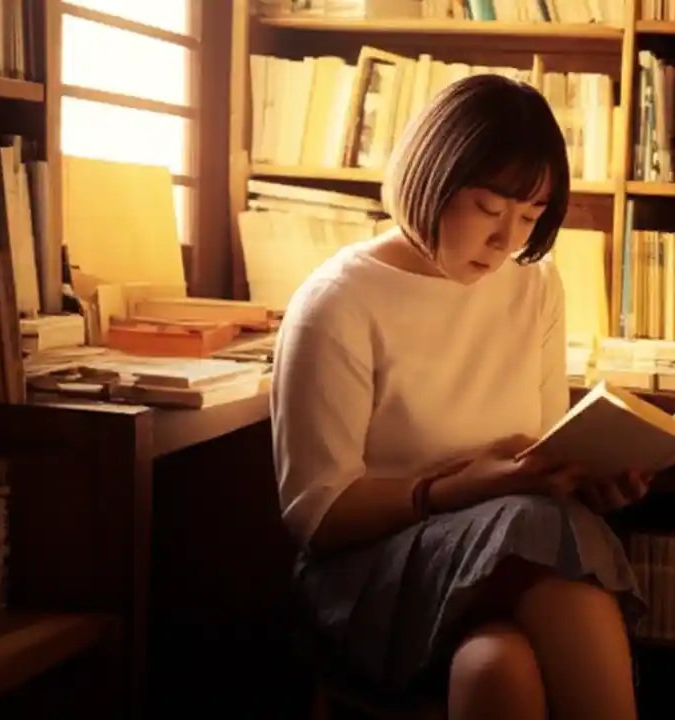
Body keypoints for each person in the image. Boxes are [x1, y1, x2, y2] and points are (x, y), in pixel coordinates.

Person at [271, 74, 648, 720]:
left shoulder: (533, 286)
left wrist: (585, 476)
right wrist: (455, 488)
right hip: (367, 576)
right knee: (536, 526)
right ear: (431, 178)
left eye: (529, 218)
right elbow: (319, 517)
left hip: (505, 564)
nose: (507, 243)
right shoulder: (337, 302)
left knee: (497, 668)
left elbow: (542, 446)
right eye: (489, 210)